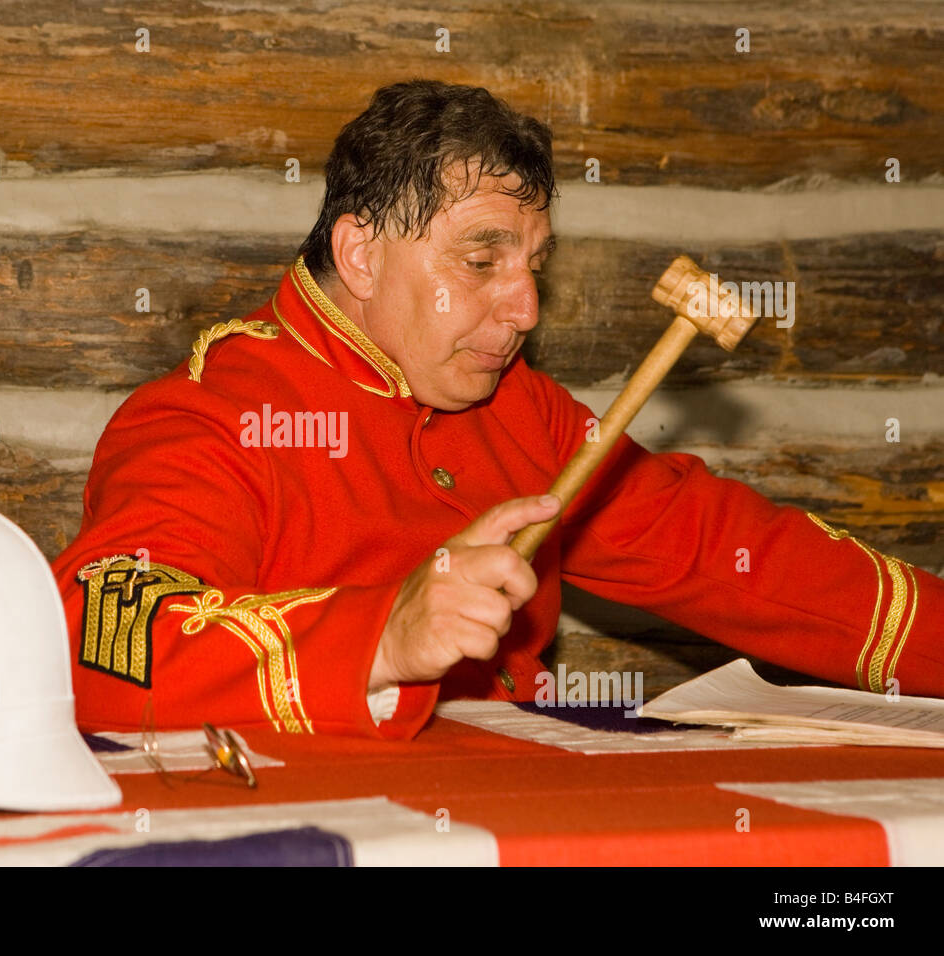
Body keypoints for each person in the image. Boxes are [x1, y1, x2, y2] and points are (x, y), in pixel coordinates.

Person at [52, 79, 942, 739]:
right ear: (360, 255)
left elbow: (733, 558)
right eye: (482, 262)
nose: (525, 311)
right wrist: (383, 638)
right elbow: (107, 650)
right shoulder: (207, 415)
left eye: (533, 265)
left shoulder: (518, 409)